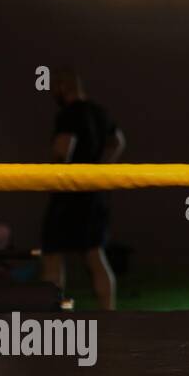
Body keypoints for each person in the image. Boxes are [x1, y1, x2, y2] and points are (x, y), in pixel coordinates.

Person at [40, 69, 125, 310]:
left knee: (52, 256)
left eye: (55, 87)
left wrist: (52, 177)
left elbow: (62, 151)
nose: (53, 92)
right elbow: (119, 141)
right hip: (94, 195)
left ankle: (52, 318)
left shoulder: (69, 114)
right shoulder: (100, 112)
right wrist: (99, 171)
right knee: (95, 256)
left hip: (68, 196)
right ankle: (110, 316)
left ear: (64, 88)